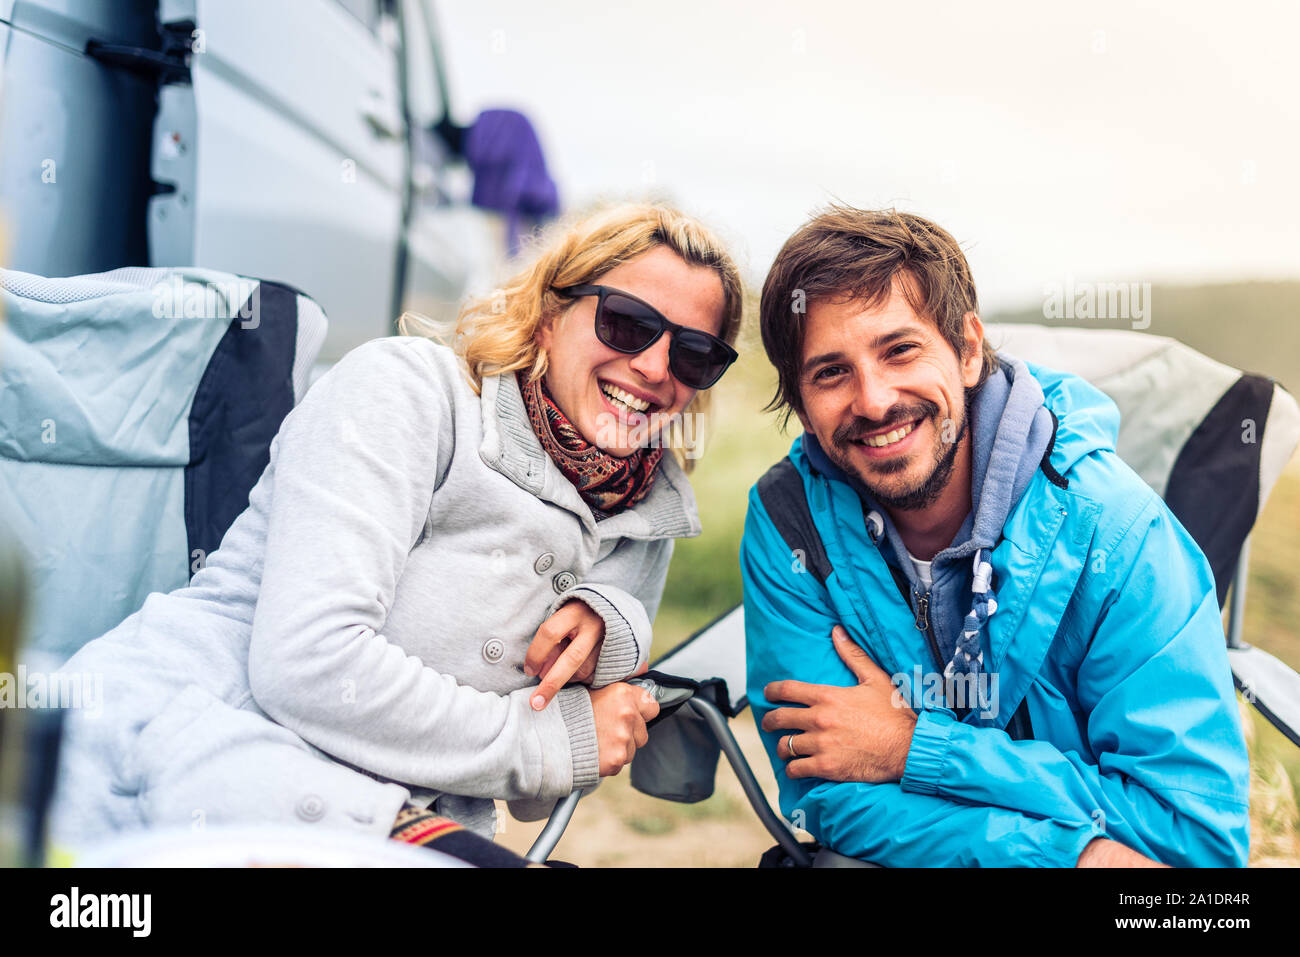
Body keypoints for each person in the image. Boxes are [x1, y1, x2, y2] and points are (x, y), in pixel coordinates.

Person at [48, 203, 743, 865]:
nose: (656, 368)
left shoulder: (644, 515)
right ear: (547, 318)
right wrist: (548, 737)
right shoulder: (408, 391)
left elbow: (534, 795)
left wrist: (615, 639)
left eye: (694, 354)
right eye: (627, 323)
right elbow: (309, 665)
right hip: (197, 752)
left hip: (387, 817)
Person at [741, 206, 1250, 868]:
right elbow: (829, 793)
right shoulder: (788, 522)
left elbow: (1191, 840)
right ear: (802, 407)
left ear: (968, 349)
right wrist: (1070, 857)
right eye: (831, 372)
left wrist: (916, 748)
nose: (873, 400)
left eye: (900, 350)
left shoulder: (1118, 530)